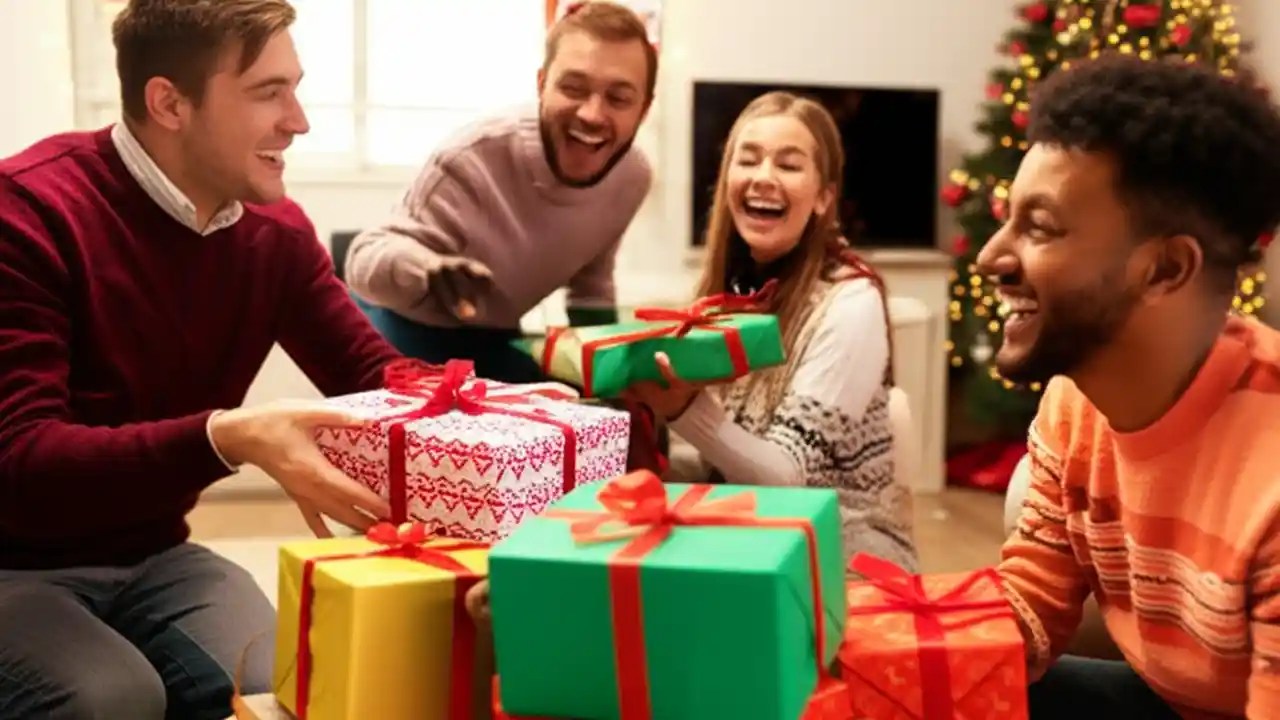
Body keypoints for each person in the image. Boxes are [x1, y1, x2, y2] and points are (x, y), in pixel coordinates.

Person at [0, 2, 404, 717]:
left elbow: (375, 377)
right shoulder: (27, 214)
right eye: (267, 93)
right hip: (12, 561)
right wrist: (225, 437)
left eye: (295, 89)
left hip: (154, 555)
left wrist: (510, 408)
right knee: (113, 698)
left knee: (288, 682)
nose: (299, 121)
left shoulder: (275, 233)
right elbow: (21, 463)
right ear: (170, 103)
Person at [983, 53, 1280, 718]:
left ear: (1164, 270)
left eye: (1039, 228)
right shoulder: (1075, 401)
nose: (991, 257)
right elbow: (1031, 602)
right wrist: (894, 647)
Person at [624, 91, 918, 572]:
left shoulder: (851, 301)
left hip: (846, 550)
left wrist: (683, 409)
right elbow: (722, 467)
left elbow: (786, 479)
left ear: (823, 197)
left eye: (789, 164)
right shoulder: (726, 294)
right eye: (749, 159)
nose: (763, 176)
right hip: (749, 532)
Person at [343, 0, 655, 384]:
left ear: (644, 109)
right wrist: (424, 268)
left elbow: (592, 282)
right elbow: (363, 259)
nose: (591, 114)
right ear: (541, 85)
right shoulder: (470, 157)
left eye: (619, 98)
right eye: (573, 88)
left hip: (497, 335)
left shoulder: (632, 177)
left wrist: (608, 377)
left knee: (583, 411)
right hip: (404, 325)